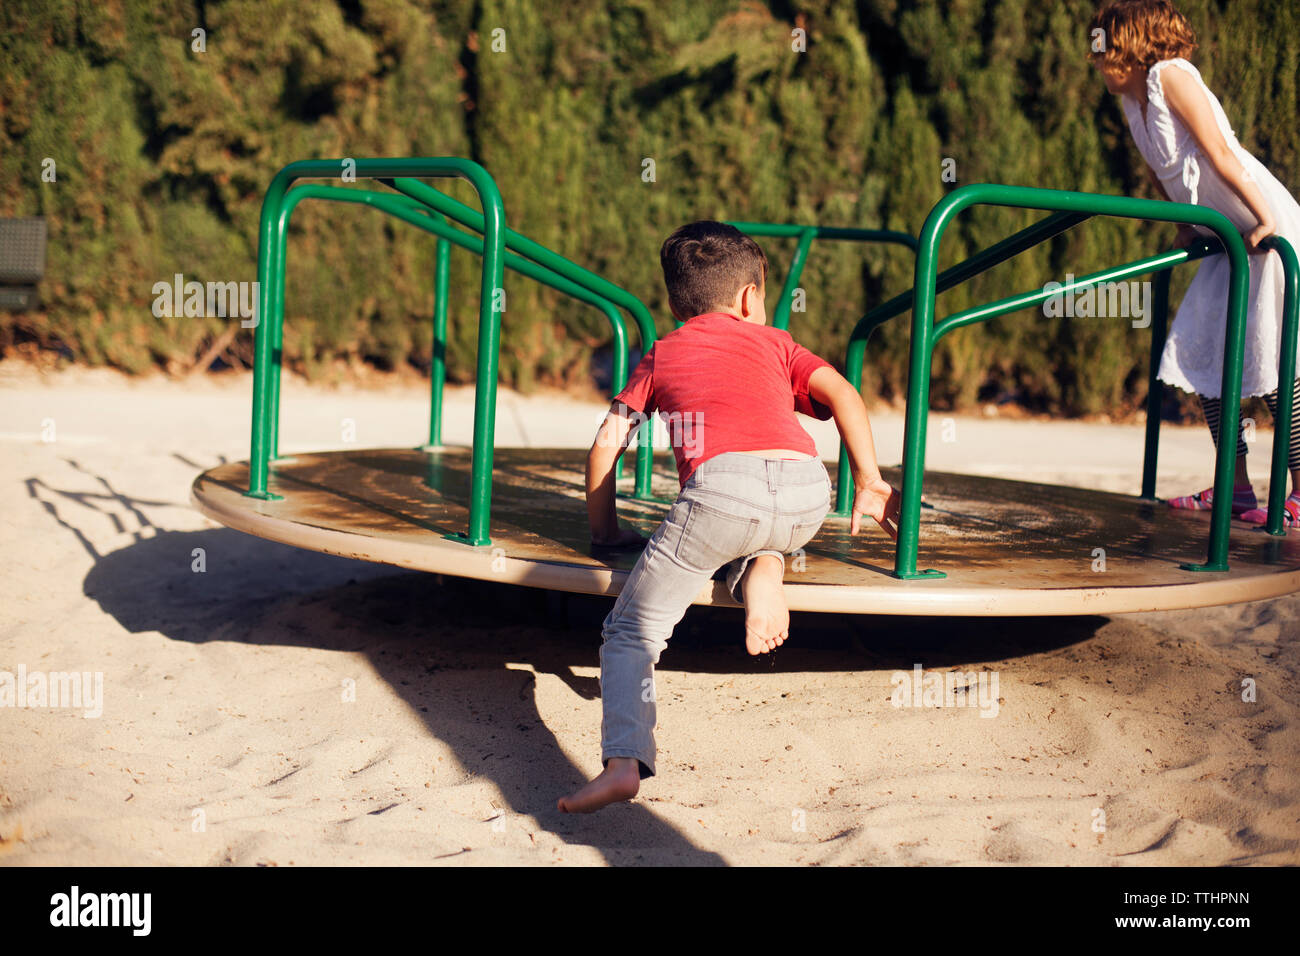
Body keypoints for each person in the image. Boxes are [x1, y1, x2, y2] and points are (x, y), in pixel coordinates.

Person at [557, 221, 900, 813]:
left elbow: (606, 446)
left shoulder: (662, 351)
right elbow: (844, 395)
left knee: (631, 632)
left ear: (675, 302)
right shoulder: (778, 343)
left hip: (721, 493)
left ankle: (622, 764)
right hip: (806, 495)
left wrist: (605, 532)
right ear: (750, 297)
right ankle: (766, 569)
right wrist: (868, 479)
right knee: (762, 529)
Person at [1089, 0, 1300, 525]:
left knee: (1272, 361)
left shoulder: (1170, 76)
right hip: (1225, 237)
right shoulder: (1131, 104)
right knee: (1201, 356)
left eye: (1103, 45)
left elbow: (1221, 152)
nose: (1095, 57)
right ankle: (1236, 487)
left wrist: (1264, 217)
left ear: (1132, 44)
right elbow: (1165, 175)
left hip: (1260, 226)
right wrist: (1187, 229)